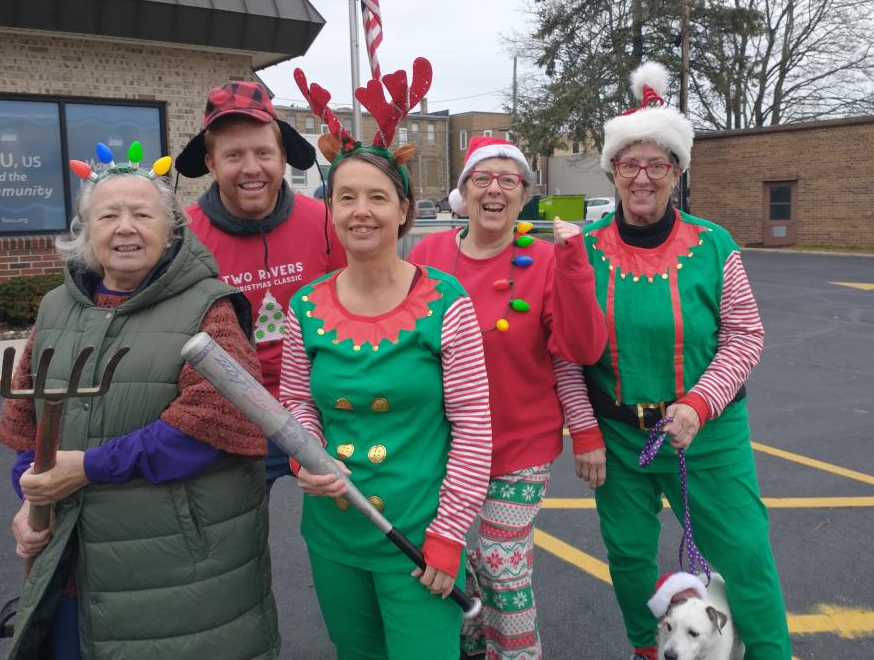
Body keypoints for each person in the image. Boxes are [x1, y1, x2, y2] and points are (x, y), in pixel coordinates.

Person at [0, 156, 279, 659]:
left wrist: (87, 468)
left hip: (176, 568)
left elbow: (216, 425)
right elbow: (30, 424)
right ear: (86, 231)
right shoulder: (54, 309)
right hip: (71, 562)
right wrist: (31, 495)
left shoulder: (208, 308)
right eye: (108, 216)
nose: (125, 228)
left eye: (143, 215)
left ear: (171, 230)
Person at [280, 61, 493, 660]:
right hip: (334, 538)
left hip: (420, 544)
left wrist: (450, 536)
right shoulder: (306, 306)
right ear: (331, 211)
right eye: (345, 197)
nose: (360, 210)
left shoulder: (446, 303)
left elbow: (475, 428)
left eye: (377, 197)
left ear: (404, 211)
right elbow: (296, 400)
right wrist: (304, 458)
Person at [582, 62, 791, 660]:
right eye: (629, 164)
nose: (642, 177)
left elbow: (745, 337)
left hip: (711, 436)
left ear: (676, 171)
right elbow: (565, 354)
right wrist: (583, 430)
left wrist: (699, 404)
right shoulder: (583, 252)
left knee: (746, 558)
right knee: (626, 560)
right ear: (612, 171)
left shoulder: (714, 244)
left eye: (657, 164)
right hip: (619, 441)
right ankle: (651, 651)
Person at [408, 136, 609, 660]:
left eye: (509, 181)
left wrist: (574, 266)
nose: (495, 190)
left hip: (519, 447)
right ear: (464, 191)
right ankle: (475, 642)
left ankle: (518, 653)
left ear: (524, 197)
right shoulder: (428, 254)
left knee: (501, 562)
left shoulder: (544, 259)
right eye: (482, 179)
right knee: (438, 560)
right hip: (439, 447)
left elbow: (579, 351)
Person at [175, 80, 346, 494]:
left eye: (263, 153)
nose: (251, 168)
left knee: (345, 532)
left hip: (321, 410)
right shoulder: (181, 238)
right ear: (212, 164)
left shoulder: (326, 223)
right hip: (230, 419)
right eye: (234, 155)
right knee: (233, 546)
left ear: (283, 158)